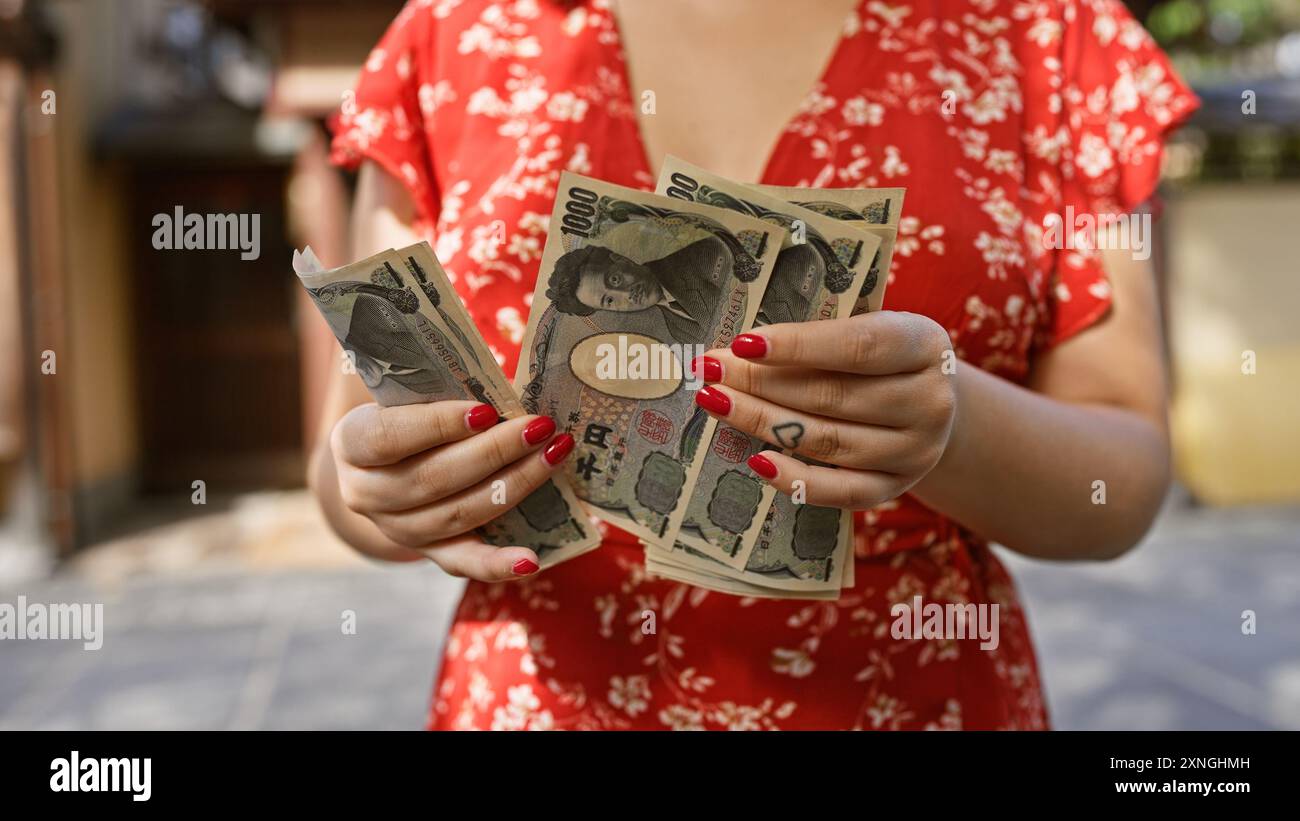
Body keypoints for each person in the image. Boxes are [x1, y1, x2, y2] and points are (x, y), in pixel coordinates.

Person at [312, 0, 1198, 729]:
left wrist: (950, 425)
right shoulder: (451, 36)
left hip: (914, 695)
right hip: (538, 696)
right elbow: (346, 454)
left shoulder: (1049, 36)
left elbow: (1118, 475)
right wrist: (384, 493)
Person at [546, 240, 727, 344]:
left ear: (622, 260)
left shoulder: (704, 257)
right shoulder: (678, 329)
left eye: (615, 279)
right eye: (609, 300)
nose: (626, 294)